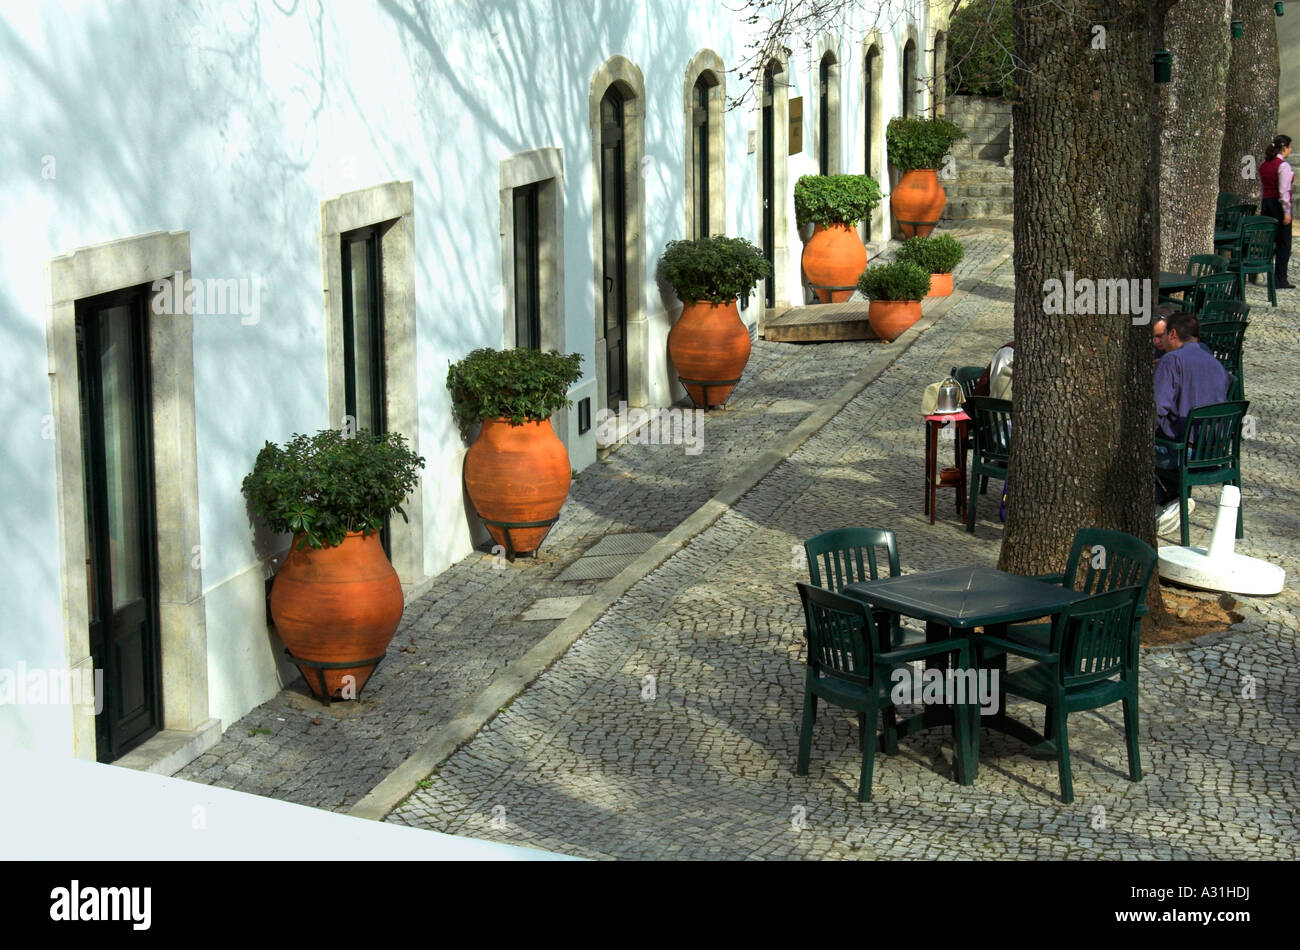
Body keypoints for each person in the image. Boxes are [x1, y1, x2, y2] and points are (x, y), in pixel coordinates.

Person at [1154, 312, 1230, 535]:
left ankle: (1162, 502)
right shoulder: (1216, 365)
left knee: (1130, 448)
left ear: (1173, 334)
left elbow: (1157, 408)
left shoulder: (1172, 360)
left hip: (1181, 454)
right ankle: (1173, 499)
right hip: (1215, 453)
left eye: (1164, 335)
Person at [1260, 134, 1294, 290]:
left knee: (1270, 241)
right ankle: (1280, 279)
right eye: (1289, 147)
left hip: (1267, 204)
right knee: (1283, 244)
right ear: (1285, 148)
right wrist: (1287, 211)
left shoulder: (1265, 165)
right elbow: (1284, 191)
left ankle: (1270, 275)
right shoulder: (1283, 166)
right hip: (1278, 206)